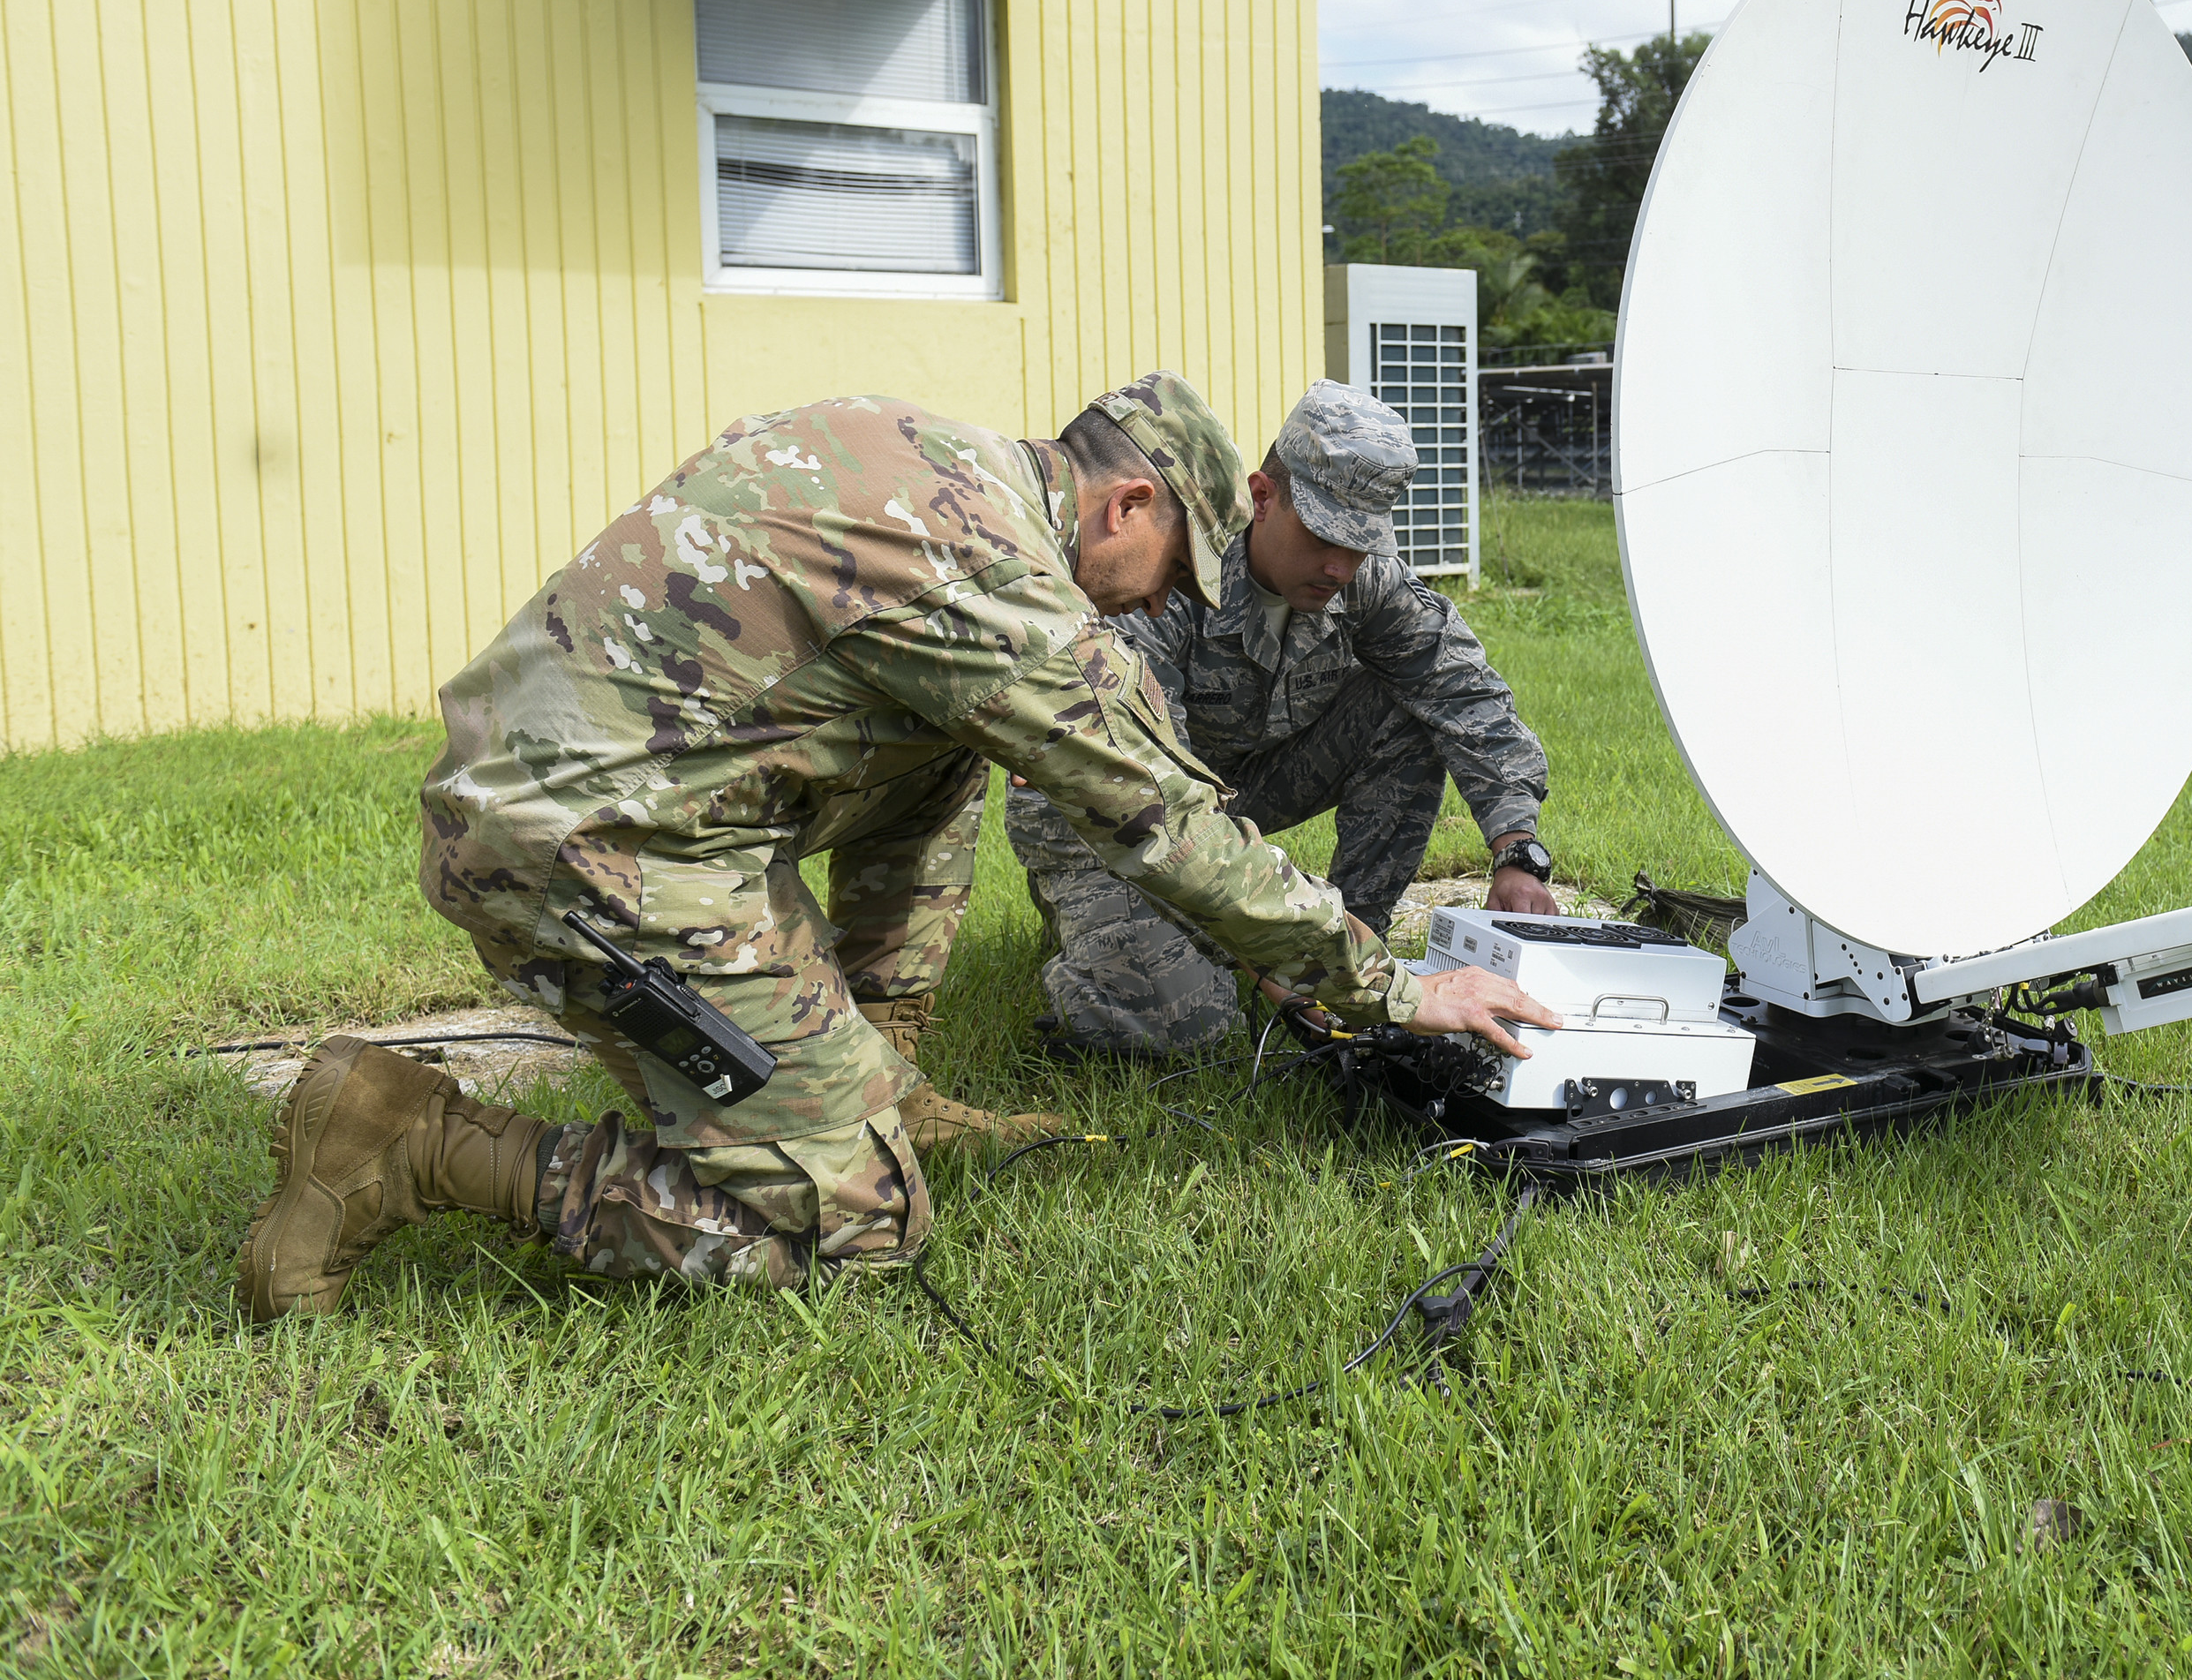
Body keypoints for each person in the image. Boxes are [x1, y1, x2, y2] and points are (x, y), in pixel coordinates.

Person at [235, 376, 1560, 1322]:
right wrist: (1388, 985)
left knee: (949, 748)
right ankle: (408, 1141)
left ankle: (880, 1071)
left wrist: (878, 1050)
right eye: (1168, 577)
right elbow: (1161, 817)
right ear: (1129, 505)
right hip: (586, 861)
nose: (1159, 608)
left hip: (628, 812)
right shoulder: (997, 582)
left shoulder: (929, 458)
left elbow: (920, 778)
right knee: (854, 1226)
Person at [1007, 380, 1556, 1057]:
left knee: (1405, 707)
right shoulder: (1172, 566)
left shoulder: (1363, 577)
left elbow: (1463, 693)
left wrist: (1516, 848)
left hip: (1234, 789)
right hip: (1110, 805)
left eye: (1361, 543)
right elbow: (1149, 792)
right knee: (1183, 1028)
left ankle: (1354, 939)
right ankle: (1102, 918)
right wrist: (1271, 960)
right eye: (1325, 534)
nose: (1340, 565)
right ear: (1262, 497)